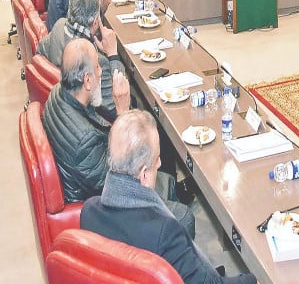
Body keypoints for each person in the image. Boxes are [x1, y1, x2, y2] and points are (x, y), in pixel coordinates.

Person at [81, 110, 256, 284]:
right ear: (144, 174)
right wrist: (251, 280)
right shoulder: (164, 232)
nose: (160, 163)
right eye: (156, 158)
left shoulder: (88, 211)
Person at [43, 40, 195, 236]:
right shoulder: (84, 141)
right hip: (103, 207)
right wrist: (123, 112)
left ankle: (168, 223)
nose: (101, 73)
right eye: (98, 67)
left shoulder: (59, 94)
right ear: (87, 80)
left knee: (166, 180)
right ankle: (173, 248)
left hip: (87, 182)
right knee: (184, 217)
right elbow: (120, 179)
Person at [38, 0, 124, 122]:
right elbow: (116, 109)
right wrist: (113, 56)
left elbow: (39, 51)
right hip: (92, 123)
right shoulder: (97, 62)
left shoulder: (59, 26)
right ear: (96, 21)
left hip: (64, 112)